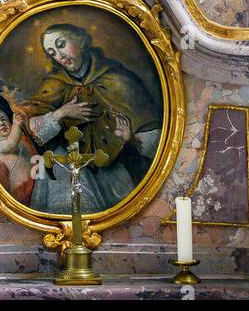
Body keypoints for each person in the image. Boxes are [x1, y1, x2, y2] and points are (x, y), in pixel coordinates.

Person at [17, 21, 162, 209]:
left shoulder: (117, 78)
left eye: (61, 45)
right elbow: (31, 132)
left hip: (115, 167)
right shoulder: (54, 84)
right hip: (68, 168)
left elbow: (153, 134)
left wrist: (131, 138)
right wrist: (60, 114)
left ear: (80, 40)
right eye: (52, 53)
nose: (59, 56)